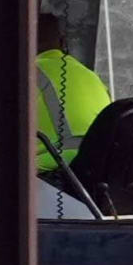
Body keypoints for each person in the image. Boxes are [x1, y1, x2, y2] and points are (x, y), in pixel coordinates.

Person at [36, 12, 114, 182]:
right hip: (100, 174)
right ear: (62, 43)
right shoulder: (92, 76)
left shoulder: (24, 75)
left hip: (52, 176)